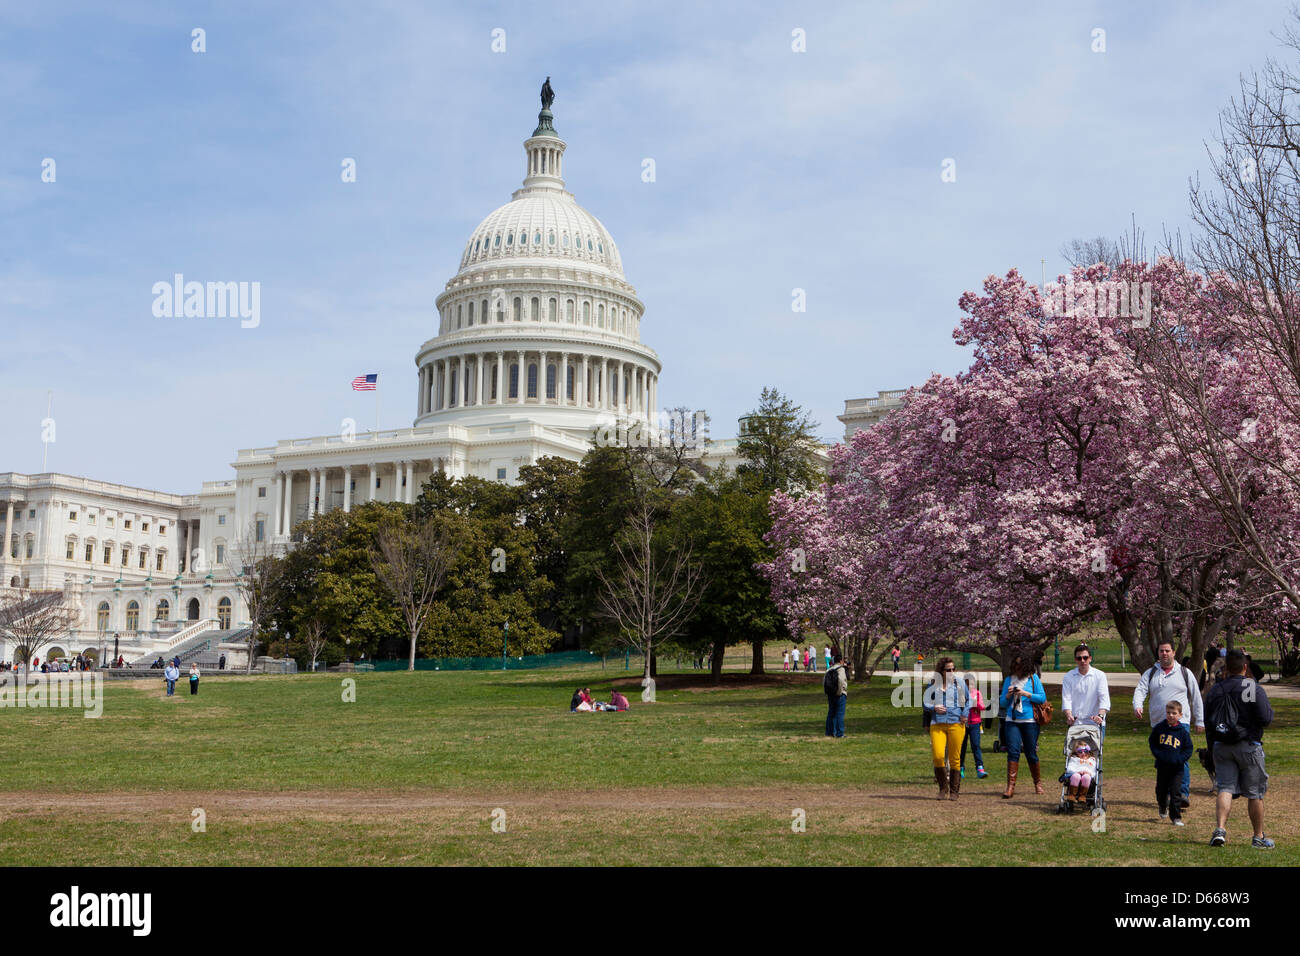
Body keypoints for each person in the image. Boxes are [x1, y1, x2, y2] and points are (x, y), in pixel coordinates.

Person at [1204, 649, 1274, 848]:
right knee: (1255, 793)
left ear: (1226, 668)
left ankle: (1220, 829)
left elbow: (1209, 721)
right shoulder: (1249, 687)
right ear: (1245, 666)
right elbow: (1265, 718)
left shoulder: (1217, 689)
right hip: (1248, 744)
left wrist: (1212, 748)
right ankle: (1258, 836)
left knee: (1224, 788)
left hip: (1222, 746)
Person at [1133, 638, 1203, 808]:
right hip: (1159, 725)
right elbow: (1140, 691)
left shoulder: (1184, 673)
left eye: (1167, 651)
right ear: (1158, 653)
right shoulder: (1151, 673)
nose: (1164, 654)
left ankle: (1182, 795)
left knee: (1180, 759)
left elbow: (1196, 697)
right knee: (1163, 760)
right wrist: (1137, 705)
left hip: (1181, 724)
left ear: (1173, 652)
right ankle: (1165, 792)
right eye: (1161, 651)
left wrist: (1199, 720)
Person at [999, 655, 1047, 798]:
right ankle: (1010, 787)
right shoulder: (1009, 680)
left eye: (1020, 666)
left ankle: (1037, 783)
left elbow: (1042, 698)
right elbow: (1002, 703)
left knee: (1030, 753)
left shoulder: (1033, 679)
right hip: (1012, 720)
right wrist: (1008, 695)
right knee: (1013, 752)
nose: (1017, 668)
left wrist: (1025, 693)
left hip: (1029, 721)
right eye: (1015, 665)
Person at [924, 657, 969, 799]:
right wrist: (934, 707)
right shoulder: (933, 684)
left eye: (953, 669)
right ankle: (943, 788)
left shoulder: (959, 683)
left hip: (956, 723)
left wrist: (964, 714)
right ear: (941, 671)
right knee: (938, 756)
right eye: (948, 669)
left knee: (955, 758)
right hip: (937, 724)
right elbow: (925, 703)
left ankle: (954, 791)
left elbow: (968, 701)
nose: (951, 672)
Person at [1149, 700, 1194, 826]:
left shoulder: (1182, 732)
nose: (1171, 715)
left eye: (1174, 713)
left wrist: (1180, 759)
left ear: (1180, 715)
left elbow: (1188, 748)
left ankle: (1176, 817)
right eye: (1168, 712)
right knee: (1161, 791)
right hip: (1162, 766)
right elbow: (1153, 743)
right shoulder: (1160, 728)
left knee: (1175, 793)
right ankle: (1162, 806)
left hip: (1177, 769)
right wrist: (1159, 755)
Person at [1061, 643, 1110, 729]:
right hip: (1075, 724)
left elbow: (1104, 698)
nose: (1082, 661)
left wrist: (1100, 715)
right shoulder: (1068, 677)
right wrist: (1069, 715)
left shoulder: (1100, 675)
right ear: (1075, 660)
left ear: (1090, 658)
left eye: (1085, 658)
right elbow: (1066, 699)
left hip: (1095, 723)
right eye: (1079, 658)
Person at [959, 675, 988, 779]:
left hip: (975, 723)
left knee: (976, 745)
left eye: (971, 684)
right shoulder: (960, 693)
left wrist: (976, 704)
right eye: (966, 684)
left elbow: (983, 707)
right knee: (962, 746)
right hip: (963, 723)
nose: (969, 686)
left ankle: (980, 768)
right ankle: (960, 768)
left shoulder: (977, 693)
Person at [1065, 740, 1098, 804]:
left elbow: (1094, 771)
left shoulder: (1092, 760)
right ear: (1076, 752)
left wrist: (1089, 773)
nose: (1083, 753)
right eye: (1080, 752)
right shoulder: (1074, 759)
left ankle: (1082, 796)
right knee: (1076, 776)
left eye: (1085, 751)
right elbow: (1069, 769)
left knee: (1087, 777)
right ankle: (1072, 795)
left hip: (1088, 777)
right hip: (1075, 775)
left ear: (1088, 751)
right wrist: (1078, 771)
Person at [824, 653, 848, 738]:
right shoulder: (841, 669)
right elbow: (841, 680)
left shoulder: (829, 669)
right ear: (841, 661)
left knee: (831, 713)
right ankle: (839, 733)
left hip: (830, 694)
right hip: (840, 694)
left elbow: (824, 681)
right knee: (840, 714)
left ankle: (829, 732)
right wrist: (840, 691)